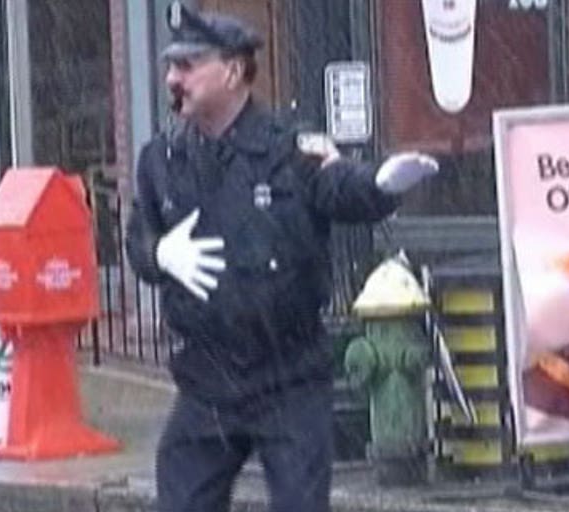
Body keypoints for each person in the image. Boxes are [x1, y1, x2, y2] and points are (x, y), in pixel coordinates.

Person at [124, 2, 439, 511]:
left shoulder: (288, 149)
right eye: (170, 66)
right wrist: (158, 252)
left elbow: (338, 188)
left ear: (232, 71)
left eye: (187, 65)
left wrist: (381, 185)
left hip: (287, 377)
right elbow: (138, 238)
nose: (172, 79)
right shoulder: (163, 159)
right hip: (207, 379)